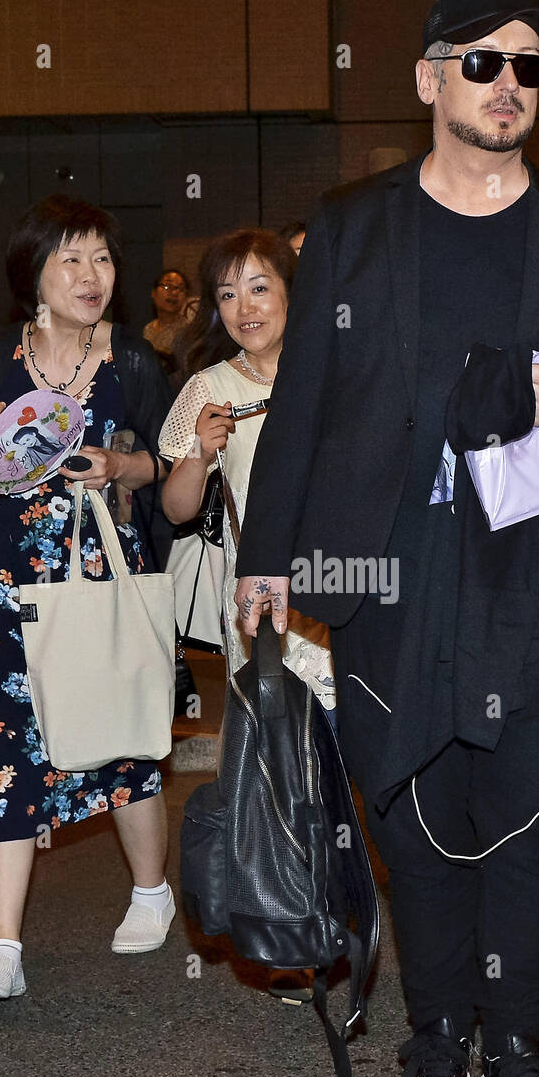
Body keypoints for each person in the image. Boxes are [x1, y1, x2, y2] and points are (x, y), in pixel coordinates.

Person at [233, 0, 539, 1077]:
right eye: (484, 61)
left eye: (529, 66)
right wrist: (268, 563)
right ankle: (435, 1041)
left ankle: (518, 1051)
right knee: (412, 823)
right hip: (386, 572)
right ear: (429, 79)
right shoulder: (353, 226)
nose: (510, 83)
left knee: (530, 822)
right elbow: (302, 403)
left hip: (530, 569)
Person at [0, 195, 176, 999]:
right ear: (34, 275)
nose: (91, 274)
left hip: (96, 570)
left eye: (102, 257)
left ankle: (151, 889)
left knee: (119, 737)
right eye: (71, 258)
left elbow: (170, 473)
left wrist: (122, 467)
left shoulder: (134, 363)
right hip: (2, 582)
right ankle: (4, 948)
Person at [159, 228, 334, 1005]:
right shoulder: (208, 388)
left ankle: (342, 905)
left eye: (259, 286)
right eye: (226, 293)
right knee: (273, 772)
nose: (243, 307)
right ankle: (291, 927)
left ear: (294, 291)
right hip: (257, 609)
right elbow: (177, 507)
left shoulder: (334, 371)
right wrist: (198, 451)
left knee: (344, 766)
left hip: (341, 598)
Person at [143, 269, 190, 355]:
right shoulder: (148, 328)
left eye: (180, 288)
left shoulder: (187, 331)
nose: (174, 292)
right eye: (167, 286)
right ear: (153, 293)